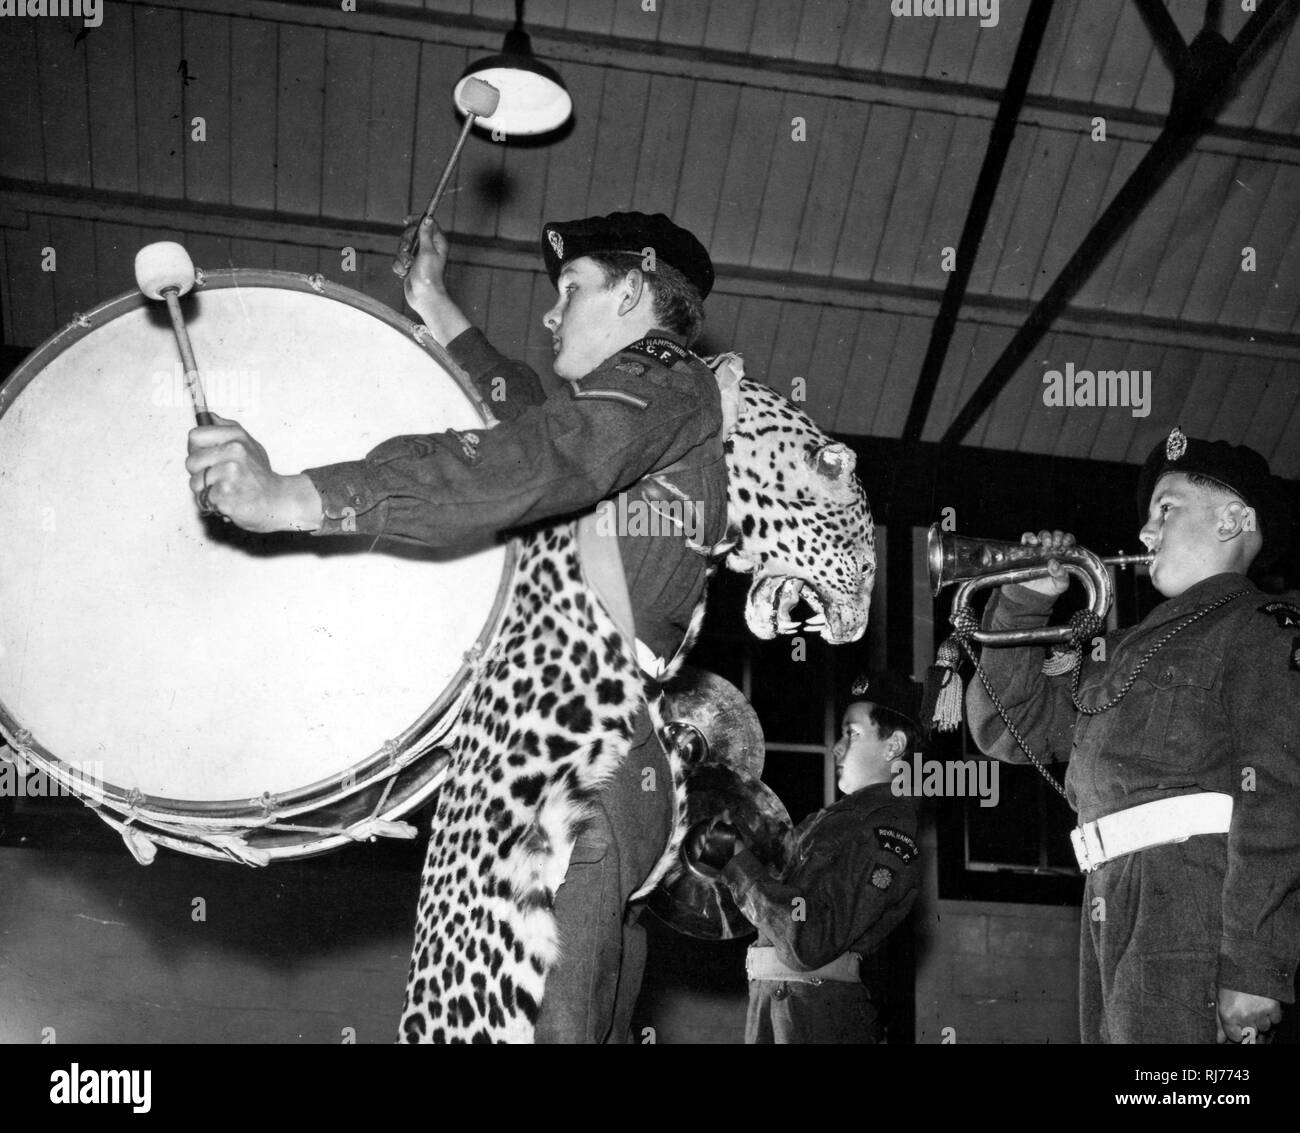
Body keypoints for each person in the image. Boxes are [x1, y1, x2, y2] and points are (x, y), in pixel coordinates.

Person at [185, 211, 730, 1042]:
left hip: (574, 764)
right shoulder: (628, 411)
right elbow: (521, 416)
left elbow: (540, 455)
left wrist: (300, 495)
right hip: (558, 762)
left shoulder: (668, 376)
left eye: (572, 290)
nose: (551, 313)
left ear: (632, 295)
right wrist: (433, 301)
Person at [965, 427, 1300, 1044]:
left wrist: (1255, 964)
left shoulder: (1262, 629)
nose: (1145, 533)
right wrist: (1022, 602)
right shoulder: (1117, 650)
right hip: (1109, 894)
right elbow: (1002, 728)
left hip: (1191, 898)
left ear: (1233, 519)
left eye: (1166, 509)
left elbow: (1278, 796)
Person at [689, 673, 923, 1043]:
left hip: (815, 1015)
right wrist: (724, 848)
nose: (837, 748)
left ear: (893, 745)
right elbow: (770, 900)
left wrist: (737, 862)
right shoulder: (830, 822)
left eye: (852, 733)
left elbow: (810, 942)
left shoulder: (886, 830)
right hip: (781, 1006)